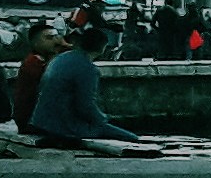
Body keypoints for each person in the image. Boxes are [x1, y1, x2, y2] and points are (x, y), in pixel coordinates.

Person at [27, 11, 148, 150]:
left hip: (42, 121)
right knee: (131, 138)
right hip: (64, 126)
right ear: (103, 48)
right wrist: (103, 118)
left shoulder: (60, 58)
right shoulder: (88, 69)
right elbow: (85, 106)